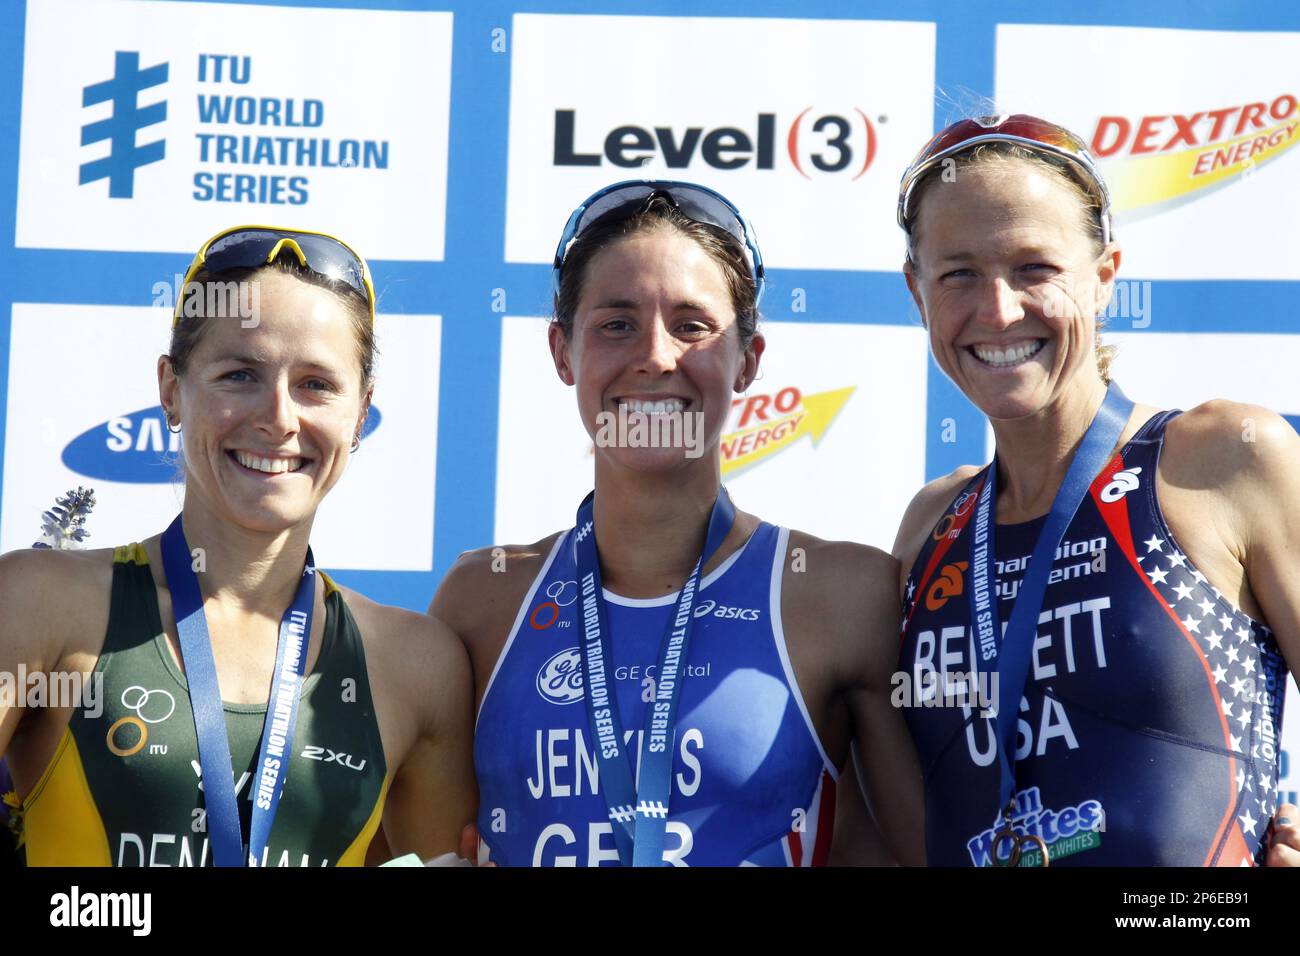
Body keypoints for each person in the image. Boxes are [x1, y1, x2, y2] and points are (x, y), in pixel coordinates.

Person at [431, 181, 922, 866]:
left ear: (748, 360)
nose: (656, 356)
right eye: (616, 324)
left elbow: (917, 854)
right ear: (562, 352)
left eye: (692, 325)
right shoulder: (482, 600)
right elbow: (425, 844)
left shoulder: (842, 595)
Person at [892, 115, 1300, 866]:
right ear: (917, 293)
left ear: (1105, 276)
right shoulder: (931, 527)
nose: (999, 309)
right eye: (958, 274)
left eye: (1035, 268)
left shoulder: (1221, 461)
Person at [0, 226, 474, 866]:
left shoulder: (416, 666)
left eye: (316, 384)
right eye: (239, 374)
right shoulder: (40, 603)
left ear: (361, 413)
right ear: (171, 389)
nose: (278, 417)